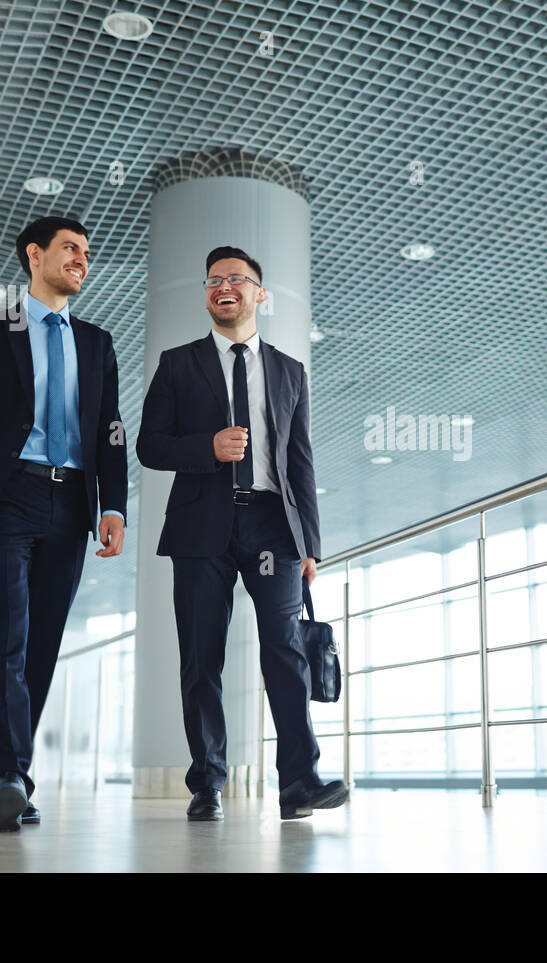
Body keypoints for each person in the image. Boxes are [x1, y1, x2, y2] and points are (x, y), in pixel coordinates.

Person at [0, 216, 128, 832]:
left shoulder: (96, 343)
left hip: (71, 504)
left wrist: (112, 506)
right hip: (7, 498)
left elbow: (109, 435)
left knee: (41, 645)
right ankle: (7, 775)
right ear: (34, 256)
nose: (81, 261)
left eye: (87, 253)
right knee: (7, 633)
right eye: (70, 249)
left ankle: (15, 774)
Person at [137, 245, 347, 821]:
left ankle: (299, 782)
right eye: (213, 280)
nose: (223, 286)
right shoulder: (178, 363)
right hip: (201, 522)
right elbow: (150, 446)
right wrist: (205, 449)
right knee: (201, 658)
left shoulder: (288, 370)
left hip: (272, 526)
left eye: (236, 279)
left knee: (285, 651)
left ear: (259, 293)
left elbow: (300, 459)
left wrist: (310, 545)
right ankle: (207, 782)